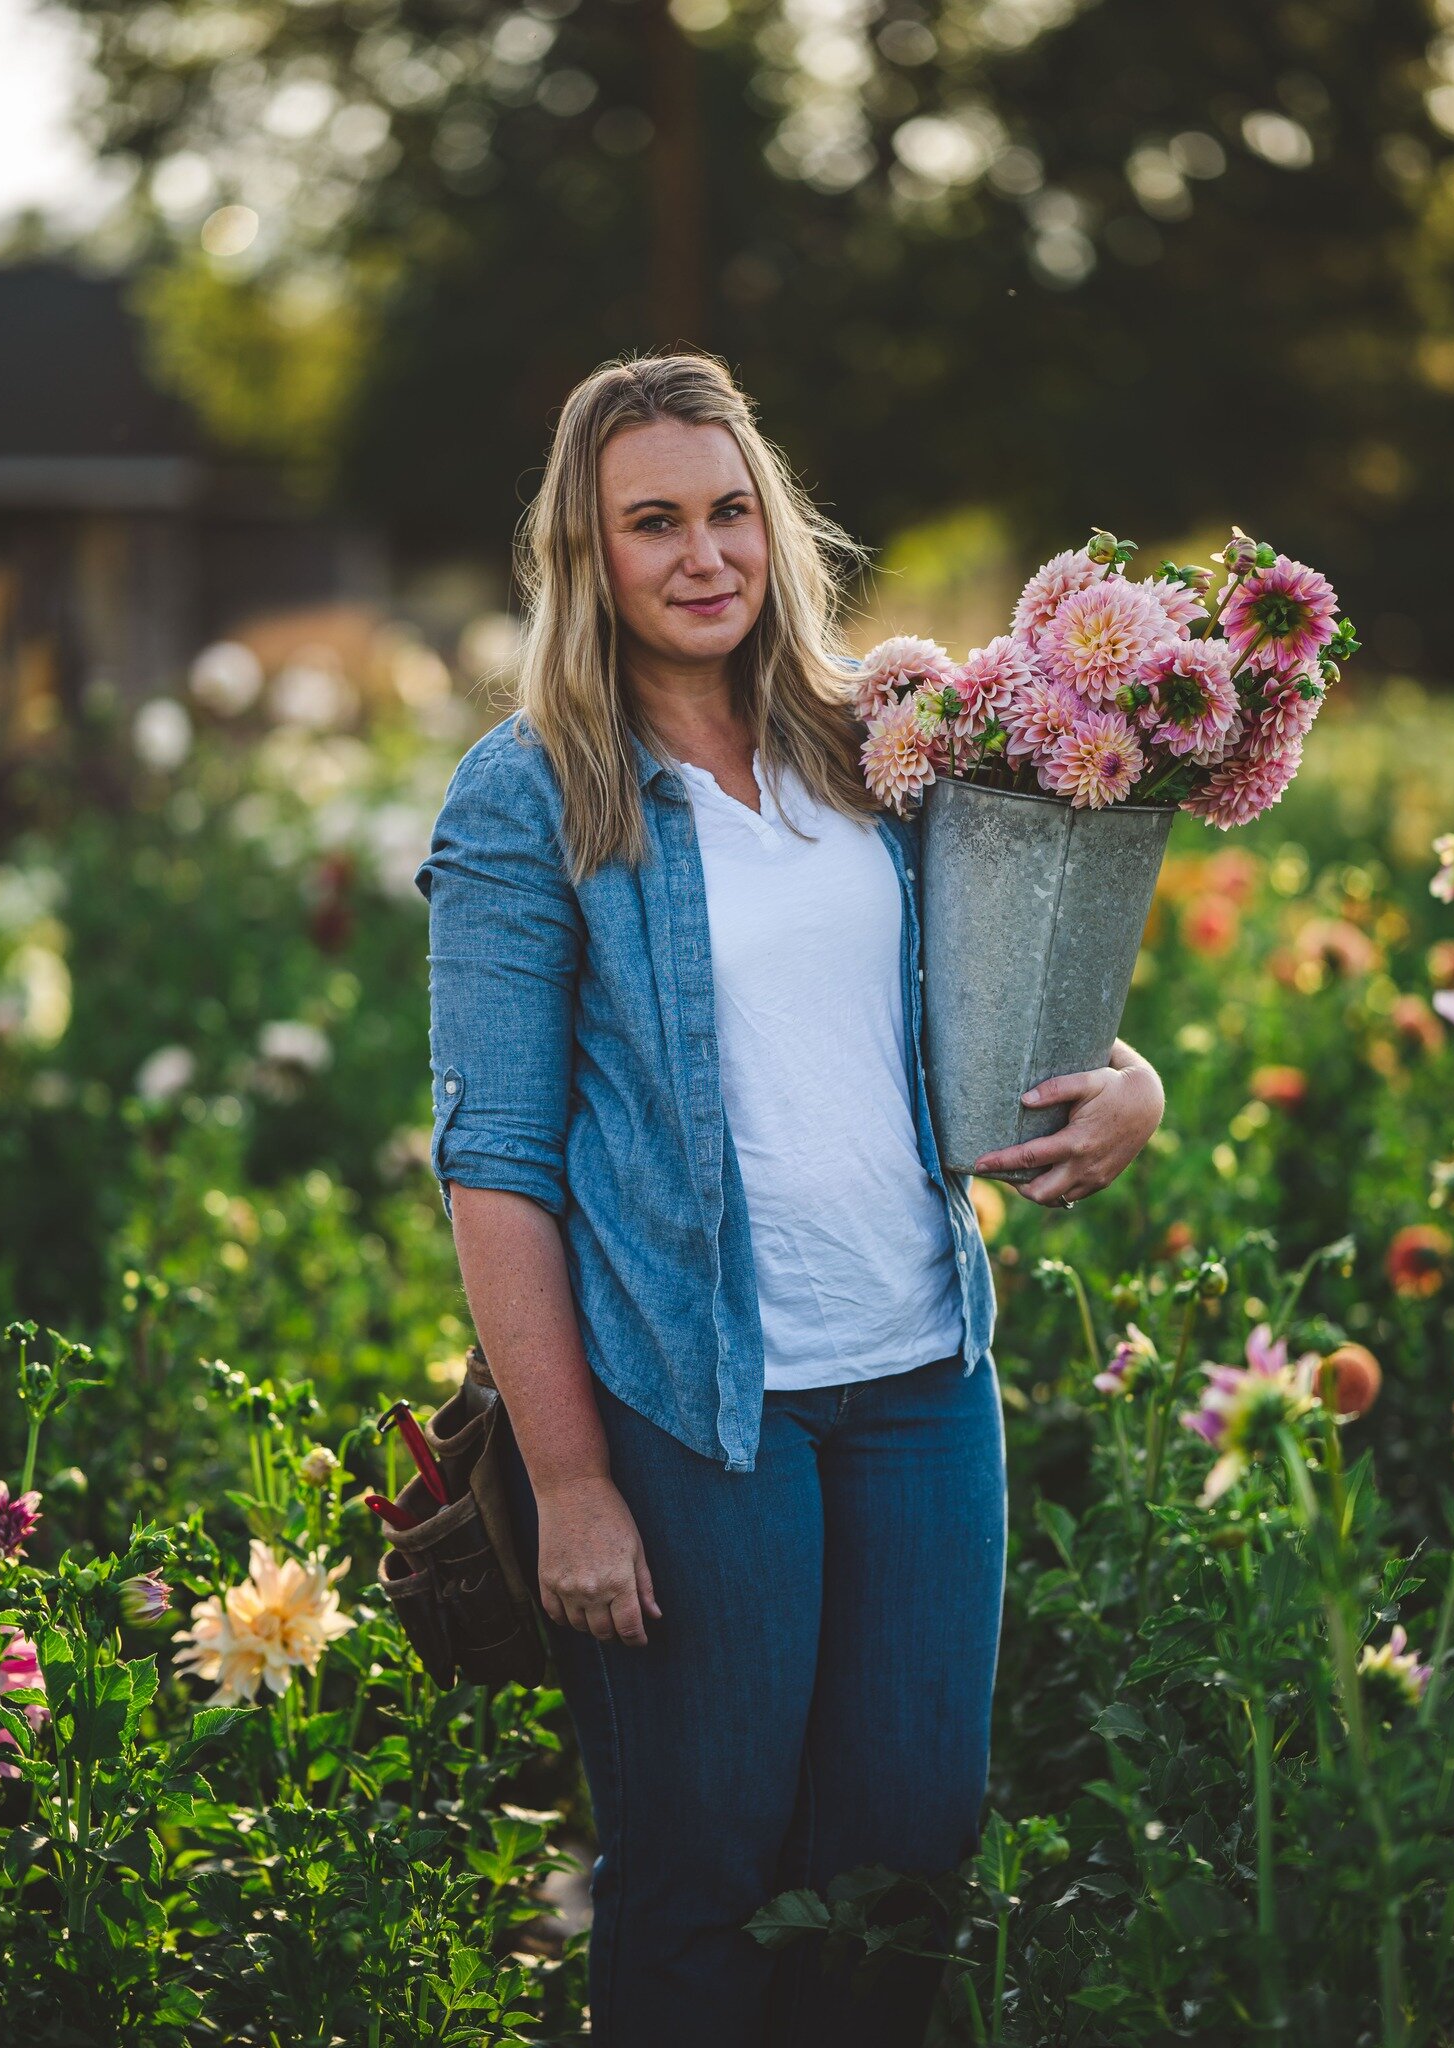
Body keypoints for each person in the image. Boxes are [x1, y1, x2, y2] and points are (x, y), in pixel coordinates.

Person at [414, 350, 1164, 2047]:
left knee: (902, 1876)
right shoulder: (531, 792)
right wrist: (573, 1482)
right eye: (652, 522)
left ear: (776, 526)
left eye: (728, 511)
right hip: (694, 1413)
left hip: (920, 1386)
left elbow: (1017, 986)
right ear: (584, 556)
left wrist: (1132, 1082)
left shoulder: (881, 748)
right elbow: (496, 1163)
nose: (702, 555)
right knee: (699, 1880)